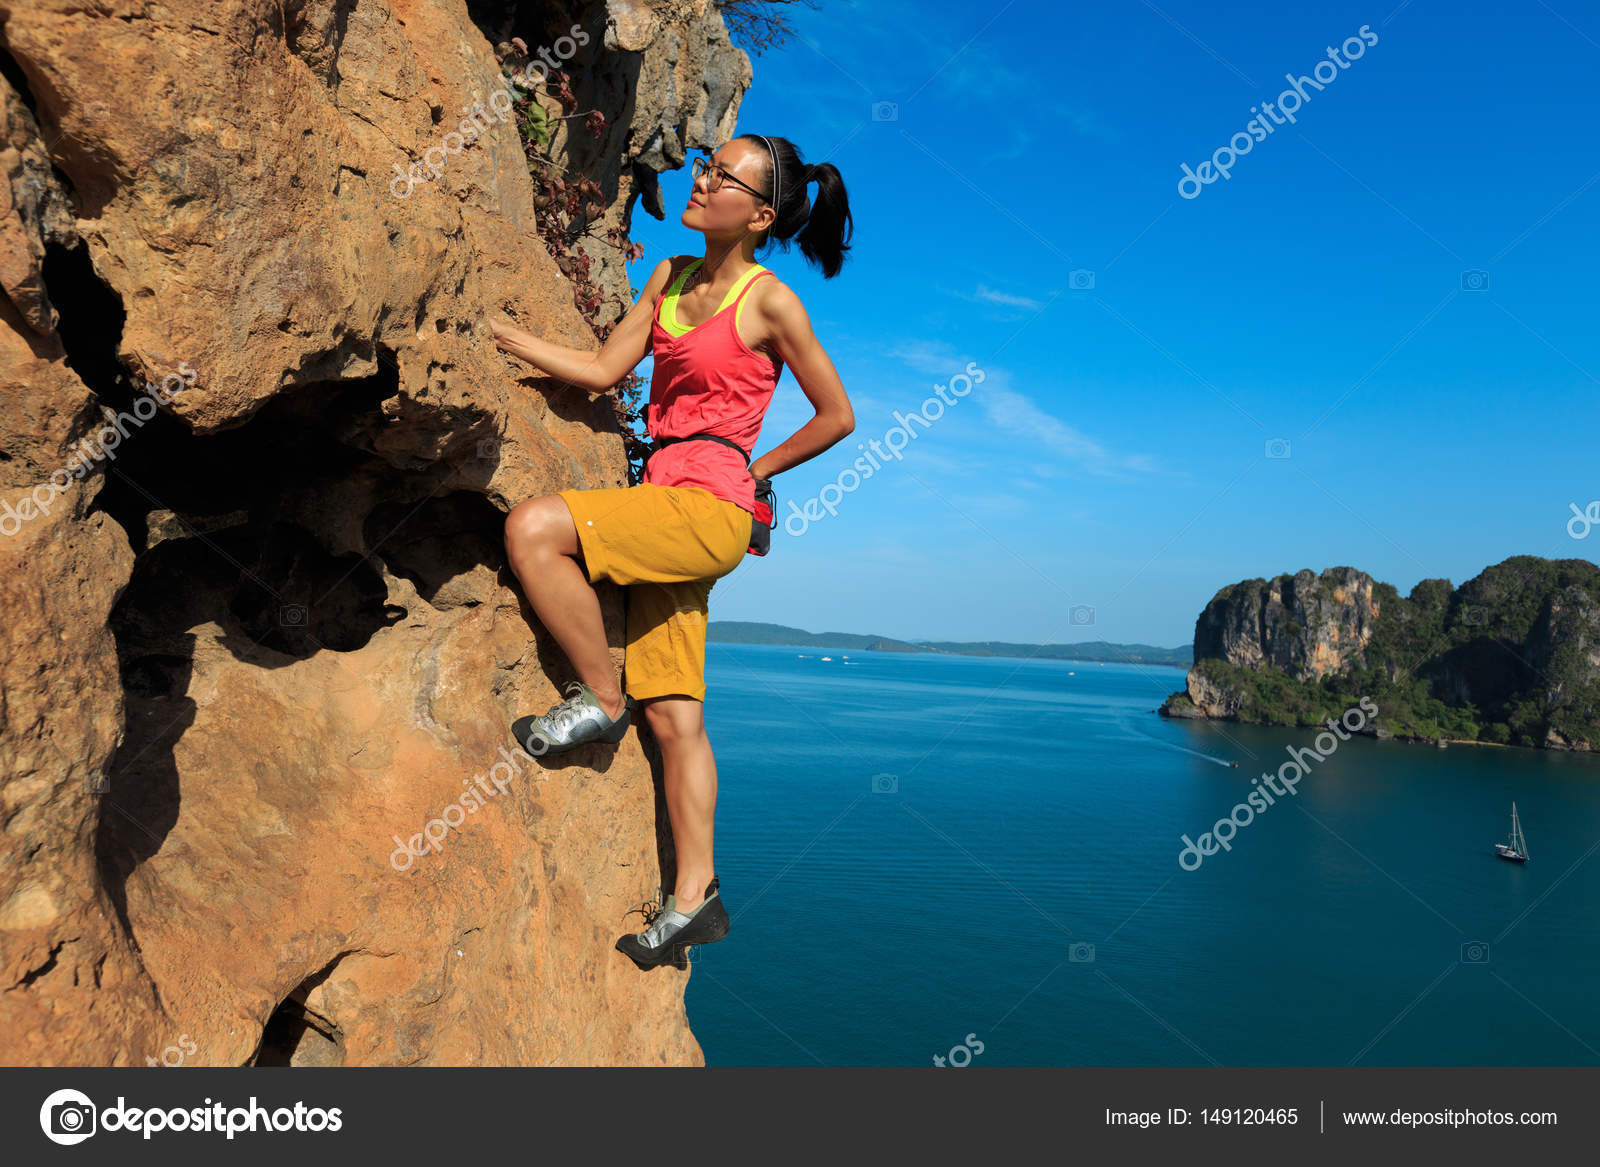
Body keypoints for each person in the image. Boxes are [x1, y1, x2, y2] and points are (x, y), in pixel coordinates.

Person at [491, 134, 855, 968]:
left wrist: (751, 469)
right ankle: (697, 899)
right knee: (677, 716)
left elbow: (838, 415)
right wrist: (501, 335)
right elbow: (600, 370)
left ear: (760, 214)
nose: (701, 181)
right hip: (661, 500)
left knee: (534, 529)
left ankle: (599, 697)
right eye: (704, 166)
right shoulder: (669, 277)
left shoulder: (771, 304)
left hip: (707, 511)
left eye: (722, 177)